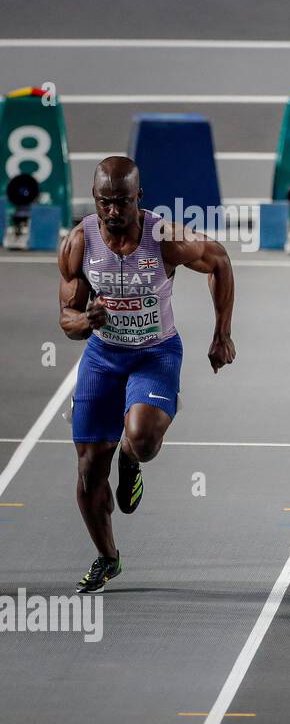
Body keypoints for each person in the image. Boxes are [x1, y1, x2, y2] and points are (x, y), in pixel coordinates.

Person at [58, 156, 236, 593]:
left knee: (141, 437)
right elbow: (67, 318)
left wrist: (221, 336)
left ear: (139, 197)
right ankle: (107, 557)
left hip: (155, 353)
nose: (113, 212)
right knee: (87, 472)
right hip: (103, 358)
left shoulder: (166, 239)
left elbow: (219, 261)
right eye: (104, 203)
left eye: (121, 202)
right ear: (94, 198)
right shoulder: (79, 242)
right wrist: (87, 322)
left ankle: (132, 461)